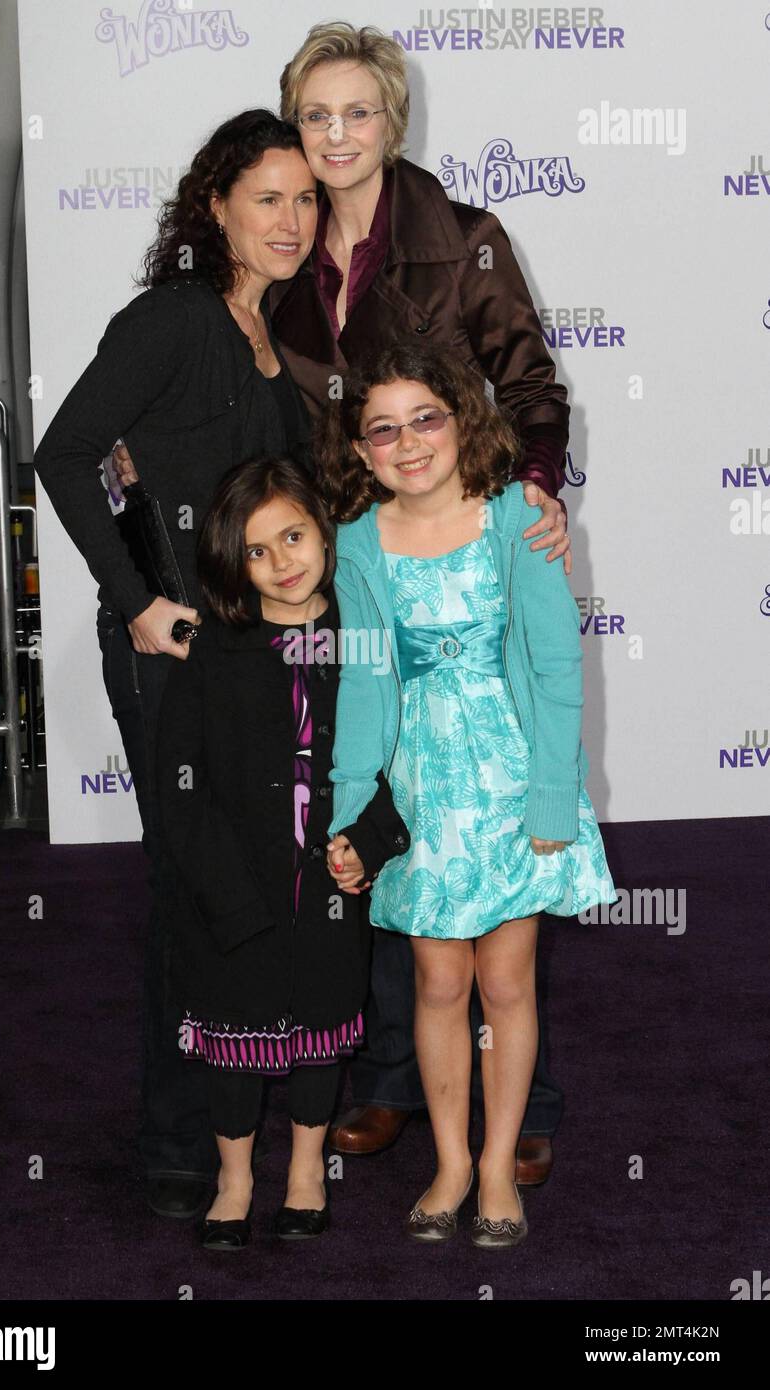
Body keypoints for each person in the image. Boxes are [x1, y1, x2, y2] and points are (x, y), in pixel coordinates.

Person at [270, 20, 575, 1173]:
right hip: (340, 570)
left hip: (454, 559)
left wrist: (532, 491)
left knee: (490, 829)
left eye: (357, 111)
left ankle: (521, 1101)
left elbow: (530, 385)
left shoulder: (464, 241)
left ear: (392, 122)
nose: (337, 133)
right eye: (316, 114)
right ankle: (395, 1072)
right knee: (380, 819)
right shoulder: (277, 254)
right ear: (295, 128)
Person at [32, 110, 318, 1220]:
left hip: (248, 659)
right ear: (215, 208)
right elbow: (64, 452)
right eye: (266, 199)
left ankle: (231, 1114)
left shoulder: (269, 337)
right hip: (174, 656)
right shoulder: (173, 319)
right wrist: (139, 601)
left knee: (243, 878)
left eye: (304, 198)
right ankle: (175, 1140)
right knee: (192, 879)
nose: (290, 220)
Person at [318, 342, 616, 1247]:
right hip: (420, 798)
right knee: (439, 981)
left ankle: (496, 1165)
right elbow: (363, 681)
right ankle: (450, 1162)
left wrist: (554, 795)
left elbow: (555, 666)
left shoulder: (515, 517)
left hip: (514, 785)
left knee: (506, 981)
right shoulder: (357, 542)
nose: (408, 443)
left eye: (426, 419)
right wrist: (350, 813)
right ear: (361, 449)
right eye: (383, 430)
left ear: (462, 421)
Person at [155, 456, 410, 1249]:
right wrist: (223, 891)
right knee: (234, 1038)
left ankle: (305, 1172)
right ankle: (234, 1180)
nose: (281, 563)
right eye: (257, 551)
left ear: (324, 531)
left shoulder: (365, 640)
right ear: (234, 563)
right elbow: (180, 784)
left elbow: (405, 757)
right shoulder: (214, 649)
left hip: (330, 890)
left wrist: (371, 842)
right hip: (233, 887)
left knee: (322, 1028)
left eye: (293, 536)